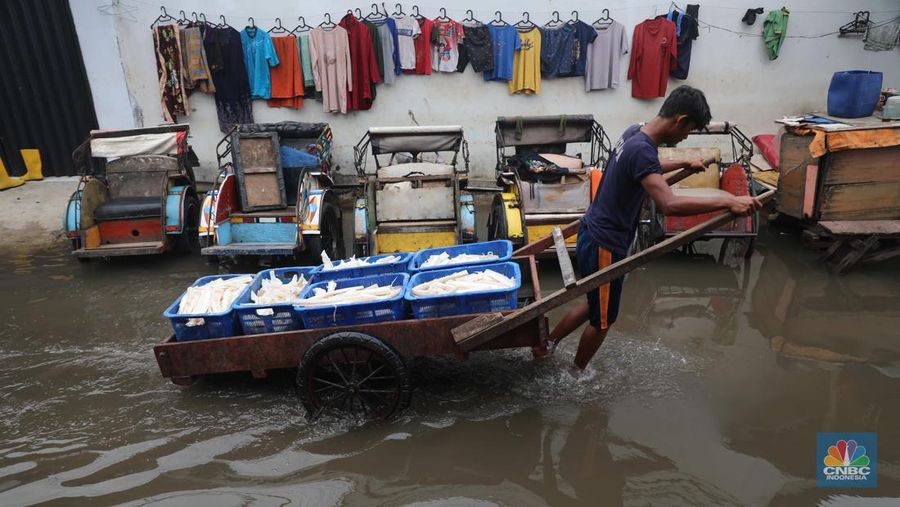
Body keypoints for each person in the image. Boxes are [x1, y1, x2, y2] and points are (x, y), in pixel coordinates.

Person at [550, 85, 762, 371]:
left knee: (595, 304)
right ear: (680, 120)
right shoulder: (642, 150)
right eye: (689, 131)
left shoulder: (634, 134)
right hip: (605, 244)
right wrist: (728, 203)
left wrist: (685, 161)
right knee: (602, 322)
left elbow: (646, 170)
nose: (686, 137)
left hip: (594, 231)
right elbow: (668, 204)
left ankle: (547, 345)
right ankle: (576, 375)